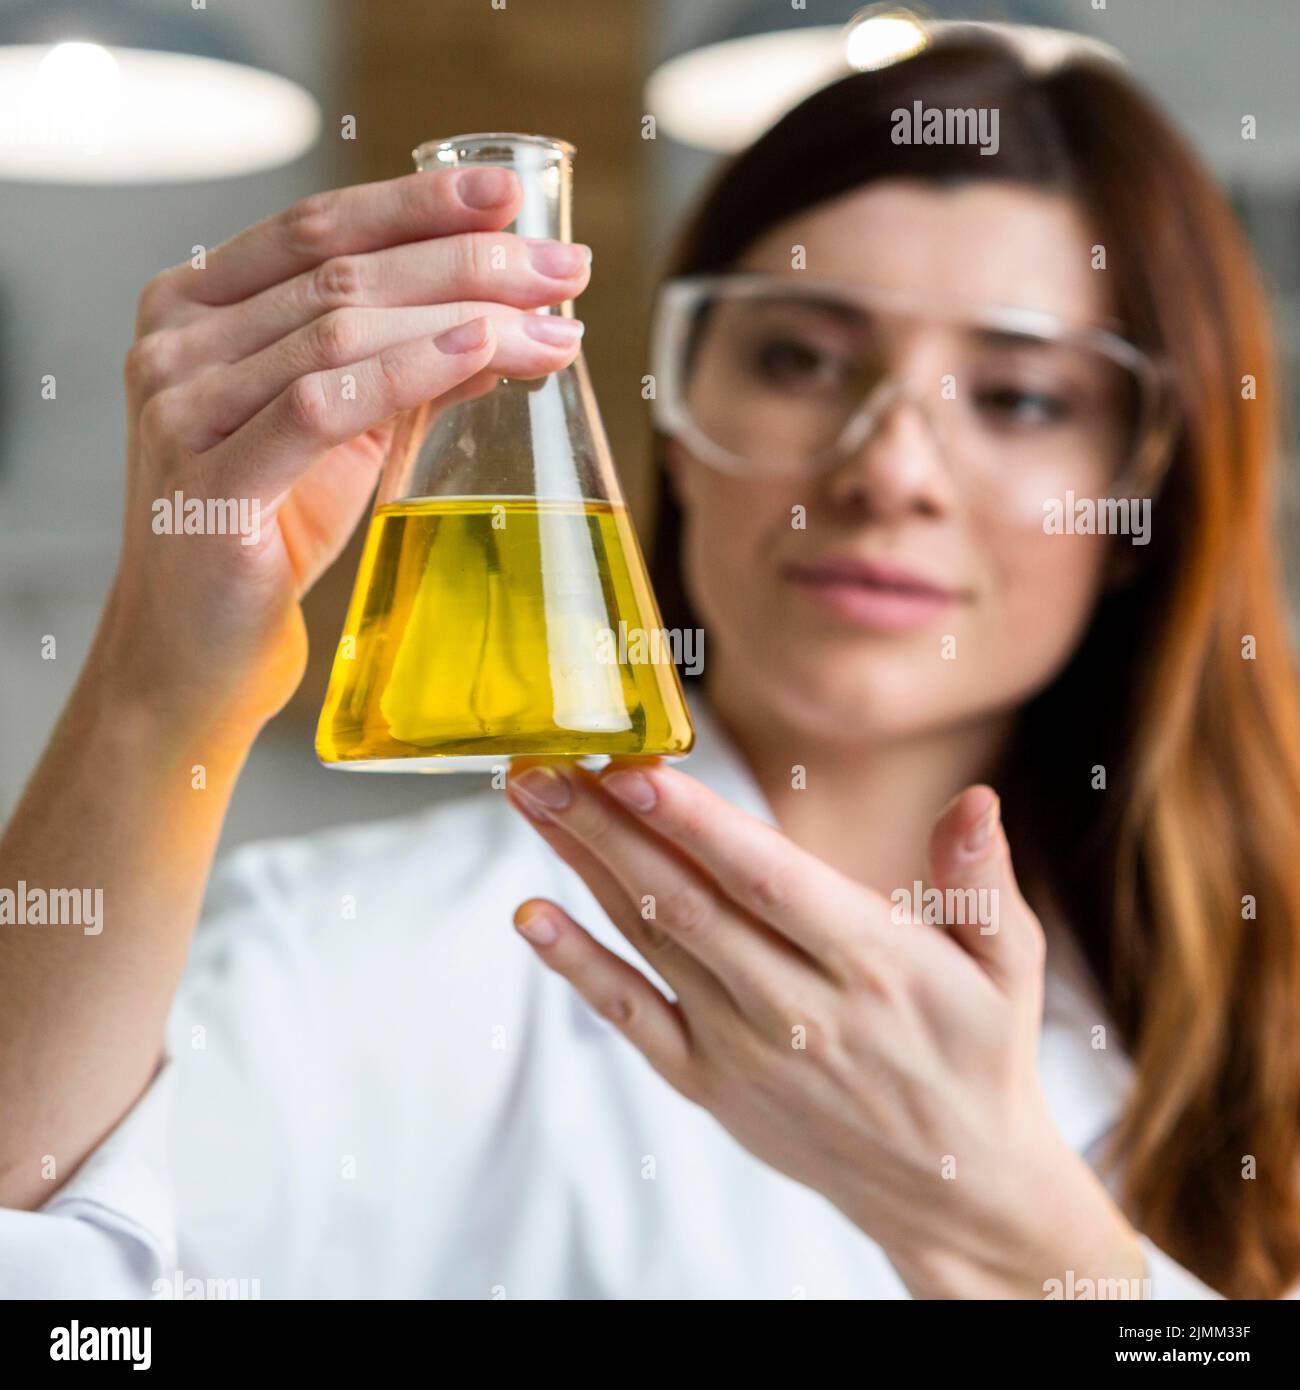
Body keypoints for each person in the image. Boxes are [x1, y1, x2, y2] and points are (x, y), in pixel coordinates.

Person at [2, 29, 1297, 1300]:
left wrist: (1026, 1244)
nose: (889, 470)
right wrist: (152, 681)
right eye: (798, 357)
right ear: (676, 419)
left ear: (1140, 503)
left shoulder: (1268, 1008)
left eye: (1018, 396)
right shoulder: (347, 961)